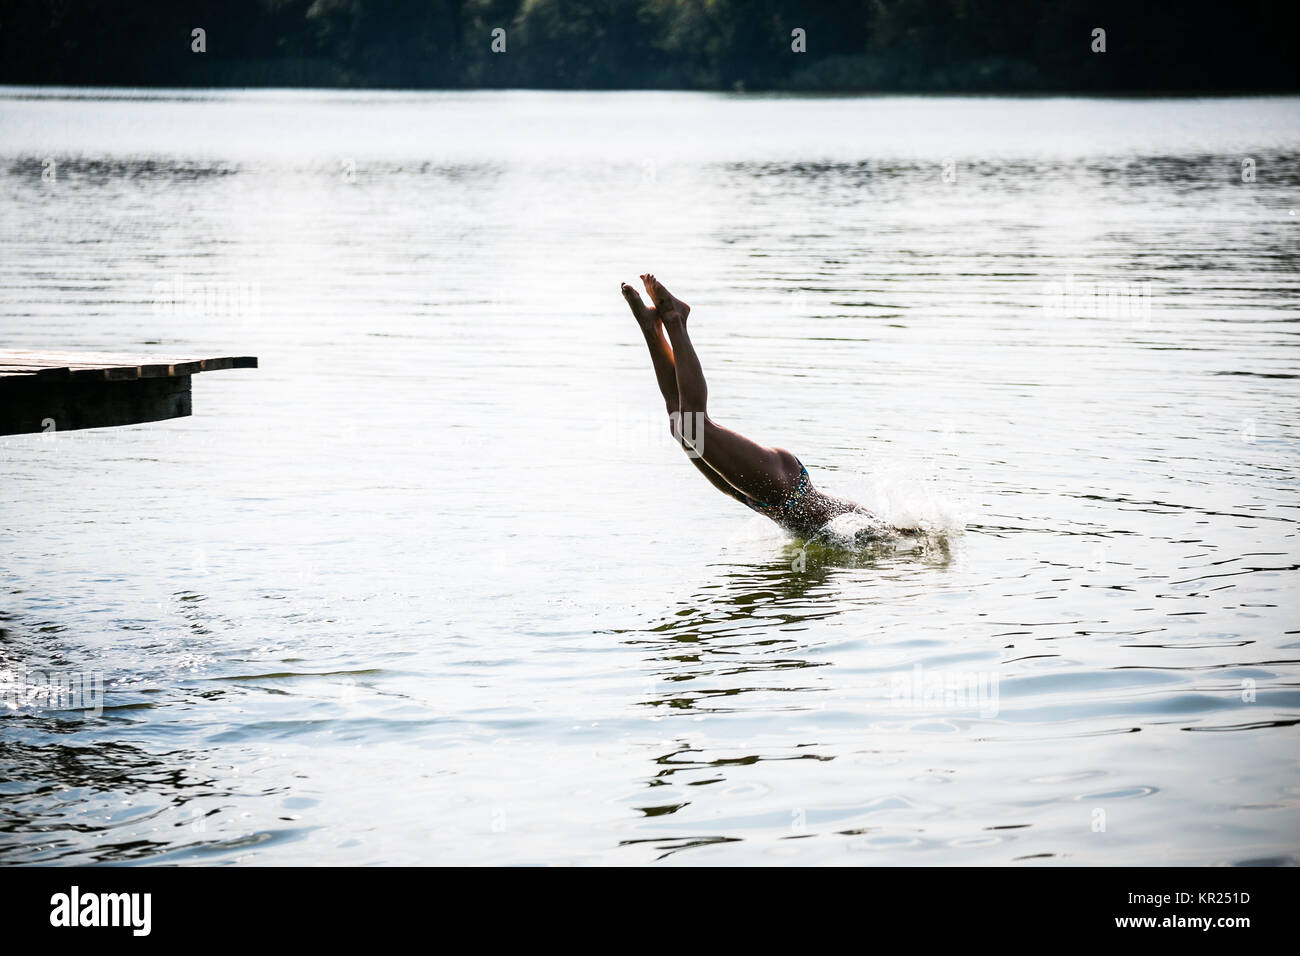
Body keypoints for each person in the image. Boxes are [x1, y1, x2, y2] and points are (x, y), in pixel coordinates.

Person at [622, 274, 912, 540]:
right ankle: (675, 319)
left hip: (767, 498)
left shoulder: (880, 535)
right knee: (694, 426)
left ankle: (651, 328)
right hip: (783, 490)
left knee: (681, 427)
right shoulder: (889, 538)